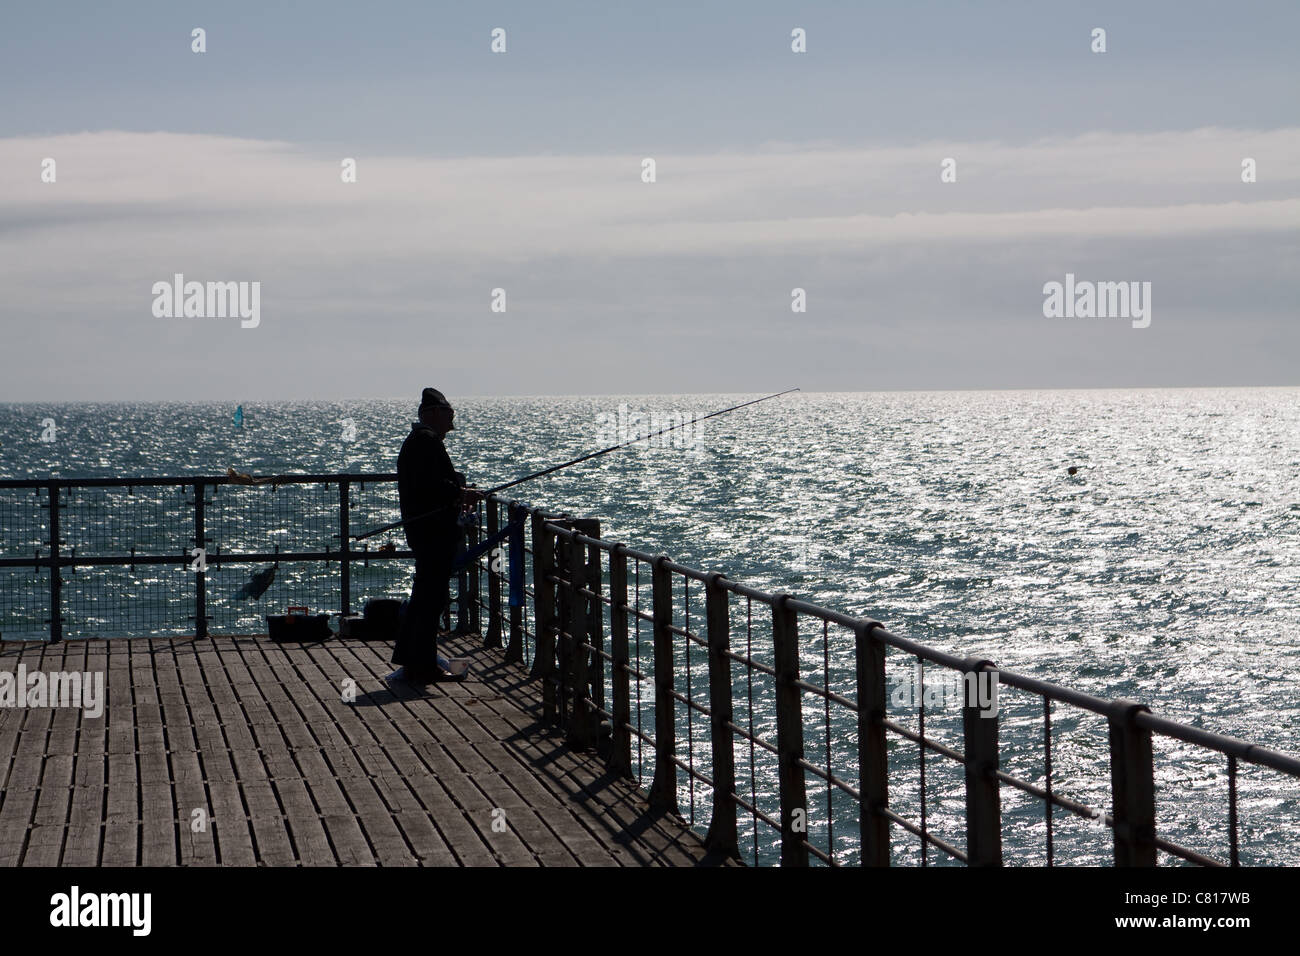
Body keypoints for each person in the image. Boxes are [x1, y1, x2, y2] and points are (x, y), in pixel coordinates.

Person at [390, 387, 483, 685]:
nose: (452, 414)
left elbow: (429, 485)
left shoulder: (420, 442)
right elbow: (432, 486)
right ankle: (422, 665)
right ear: (430, 414)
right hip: (432, 534)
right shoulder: (426, 442)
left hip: (424, 532)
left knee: (426, 597)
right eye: (446, 410)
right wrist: (461, 492)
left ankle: (415, 659)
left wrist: (456, 492)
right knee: (429, 600)